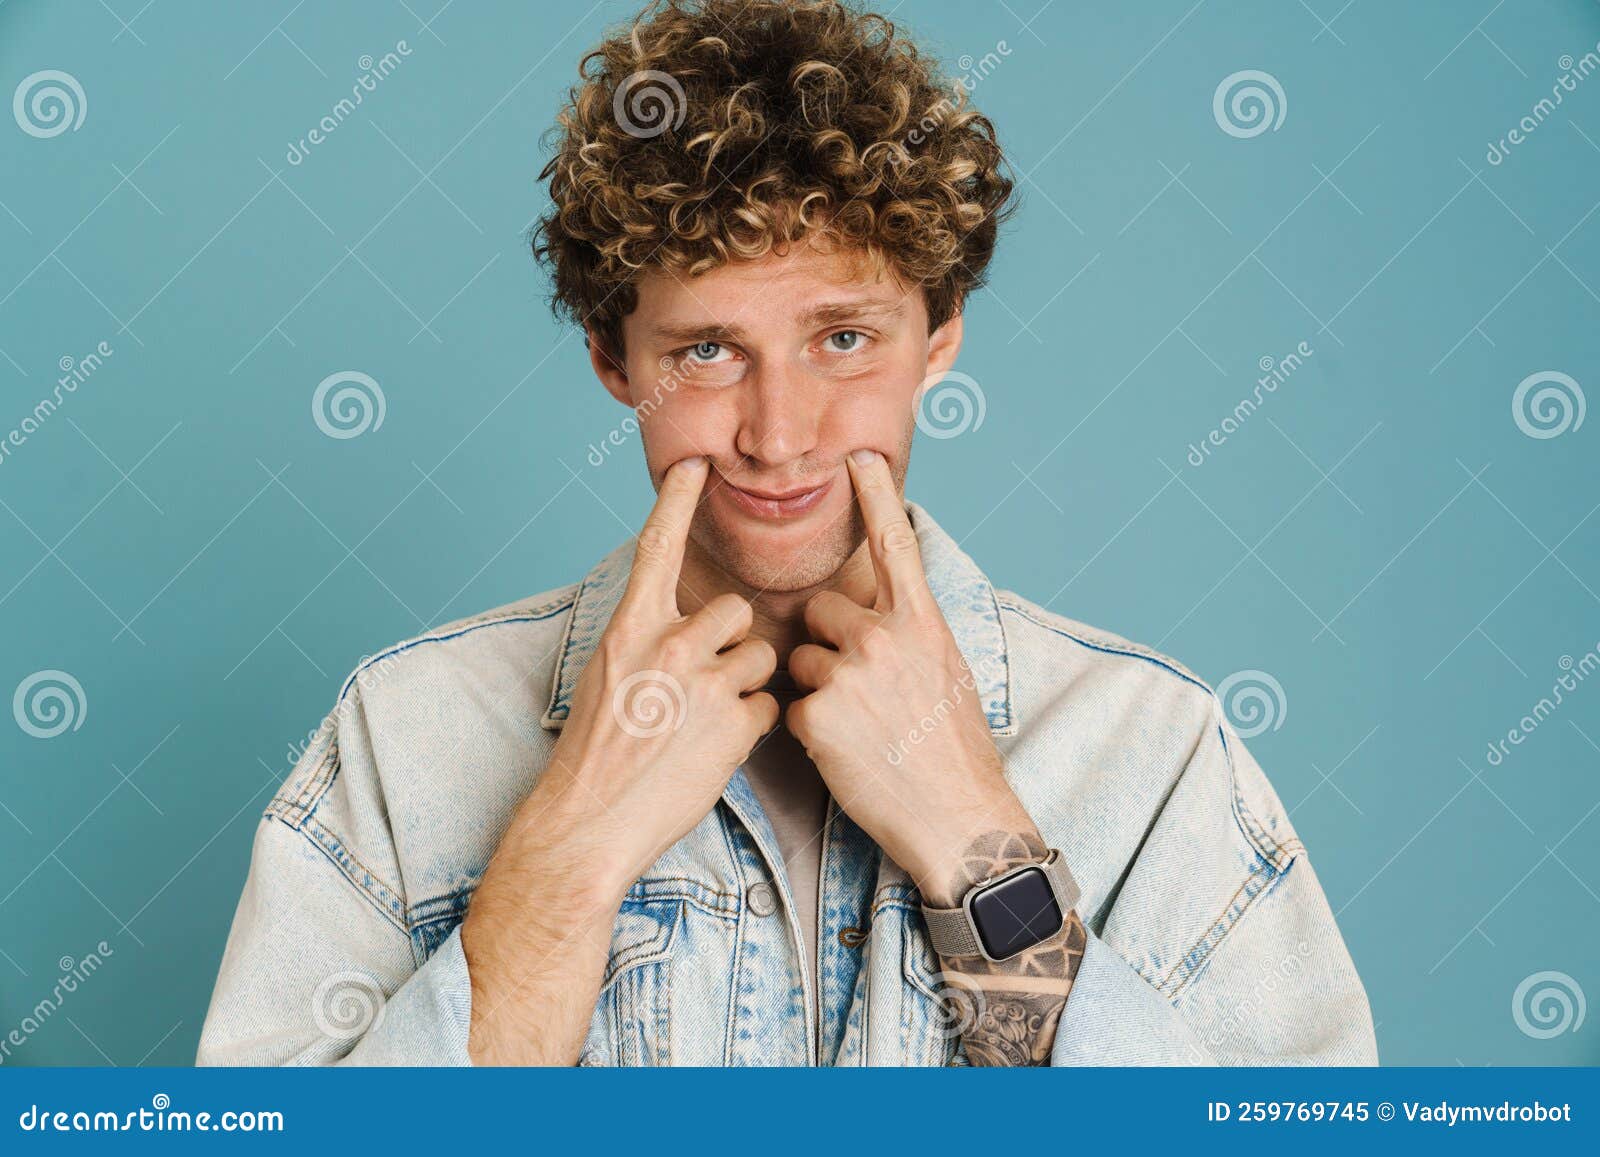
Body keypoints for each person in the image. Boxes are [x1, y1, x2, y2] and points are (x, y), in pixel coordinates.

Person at [198, 0, 1375, 1066]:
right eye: (707, 350)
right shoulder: (406, 737)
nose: (777, 434)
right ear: (613, 358)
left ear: (939, 337)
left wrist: (978, 841)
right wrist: (568, 853)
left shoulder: (1150, 752)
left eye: (843, 339)